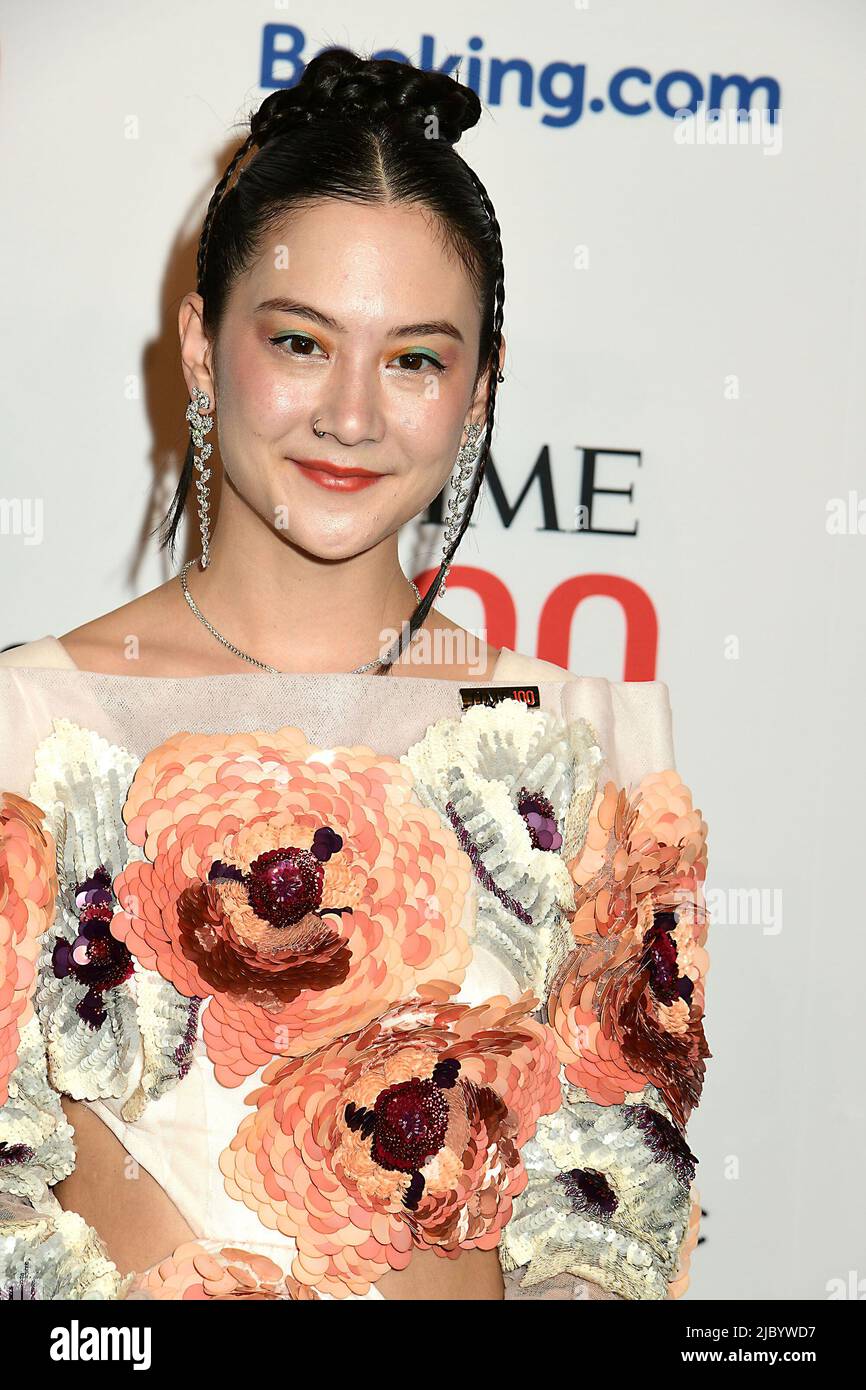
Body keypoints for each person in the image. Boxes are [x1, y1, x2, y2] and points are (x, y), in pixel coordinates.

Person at [0, 48, 710, 1301]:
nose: (350, 414)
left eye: (415, 359)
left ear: (479, 391)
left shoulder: (576, 756)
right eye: (299, 340)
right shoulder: (23, 737)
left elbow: (616, 1220)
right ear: (203, 349)